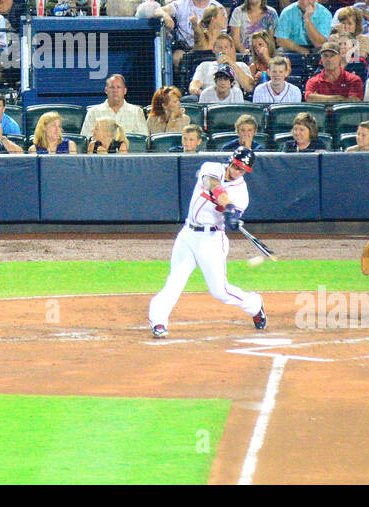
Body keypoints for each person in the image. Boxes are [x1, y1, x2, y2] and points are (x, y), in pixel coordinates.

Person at [147, 148, 266, 339]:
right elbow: (212, 184)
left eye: (241, 170)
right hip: (188, 234)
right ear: (230, 161)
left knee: (220, 290)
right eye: (235, 166)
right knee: (175, 280)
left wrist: (233, 218)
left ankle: (254, 304)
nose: (237, 171)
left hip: (211, 240)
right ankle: (158, 321)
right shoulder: (210, 167)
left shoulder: (242, 194)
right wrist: (227, 205)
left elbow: (233, 216)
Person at [80, 74, 148, 140]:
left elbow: (143, 140)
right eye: (112, 87)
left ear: (124, 91)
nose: (115, 91)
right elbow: (86, 138)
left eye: (118, 87)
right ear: (106, 90)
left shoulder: (136, 112)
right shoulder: (93, 112)